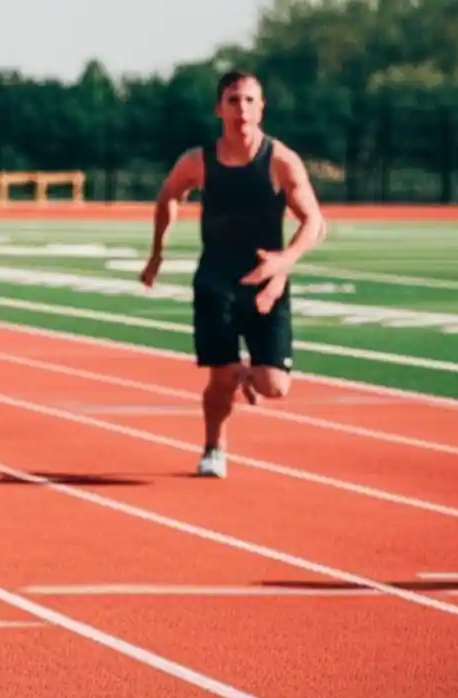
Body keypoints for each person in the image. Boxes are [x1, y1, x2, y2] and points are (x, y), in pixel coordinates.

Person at [141, 70, 326, 478]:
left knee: (275, 387)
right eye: (232, 100)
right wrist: (157, 253)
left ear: (261, 108)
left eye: (248, 100)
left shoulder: (280, 160)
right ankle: (213, 447)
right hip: (216, 279)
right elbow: (168, 195)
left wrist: (284, 261)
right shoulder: (198, 161)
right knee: (221, 376)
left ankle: (247, 376)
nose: (241, 108)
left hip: (266, 281)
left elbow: (314, 221)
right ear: (218, 108)